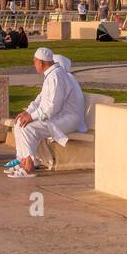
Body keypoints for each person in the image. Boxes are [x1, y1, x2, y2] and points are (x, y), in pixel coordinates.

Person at [7, 47, 87, 177]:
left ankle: (29, 168)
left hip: (67, 119)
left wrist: (32, 117)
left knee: (27, 128)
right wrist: (28, 112)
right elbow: (40, 99)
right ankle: (24, 161)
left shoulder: (56, 77)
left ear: (41, 62)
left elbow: (52, 107)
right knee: (20, 123)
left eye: (35, 62)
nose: (34, 64)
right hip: (57, 116)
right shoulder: (51, 74)